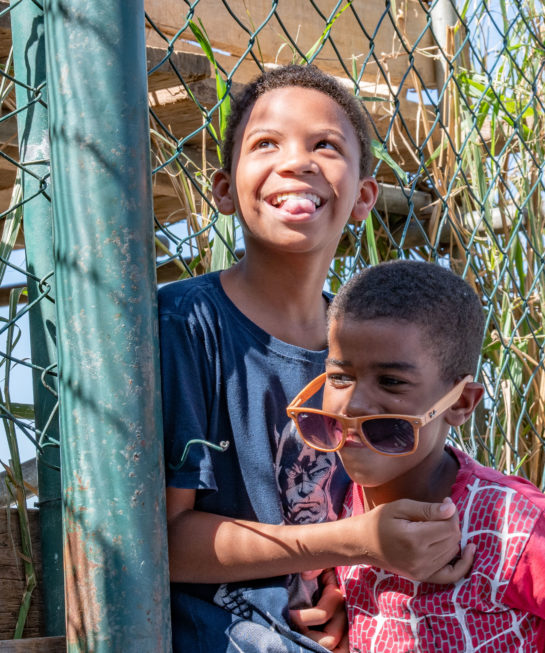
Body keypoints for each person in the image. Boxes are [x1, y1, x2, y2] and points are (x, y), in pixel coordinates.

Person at [159, 66, 474, 653]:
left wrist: (346, 584)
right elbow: (167, 542)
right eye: (266, 143)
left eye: (325, 145)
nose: (298, 161)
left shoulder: (369, 346)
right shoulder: (184, 325)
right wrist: (352, 544)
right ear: (224, 188)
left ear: (363, 196)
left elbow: (372, 508)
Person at [286, 260, 545, 653]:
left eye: (391, 381)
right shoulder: (328, 500)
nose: (354, 403)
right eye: (340, 376)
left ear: (461, 404)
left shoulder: (509, 524)